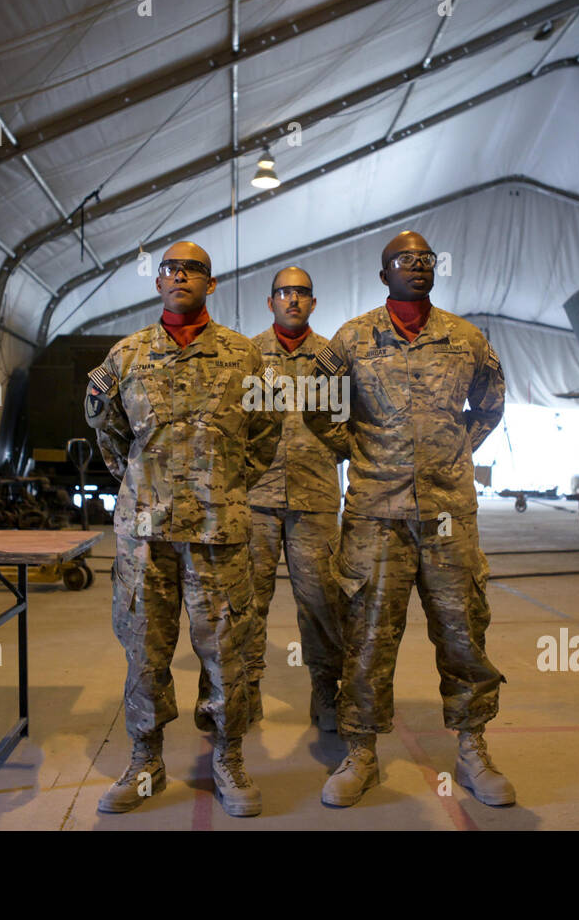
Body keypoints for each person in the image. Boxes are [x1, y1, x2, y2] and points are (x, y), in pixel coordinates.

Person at [304, 229, 514, 808]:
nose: (416, 266)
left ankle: (473, 750)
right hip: (377, 514)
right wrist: (362, 451)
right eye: (404, 259)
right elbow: (319, 408)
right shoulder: (351, 339)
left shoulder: (466, 338)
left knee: (464, 631)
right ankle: (362, 753)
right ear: (383, 273)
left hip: (449, 515)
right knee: (369, 636)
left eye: (425, 259)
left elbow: (492, 403)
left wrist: (453, 448)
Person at [85, 240, 279, 817]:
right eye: (171, 269)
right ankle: (144, 758)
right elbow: (109, 434)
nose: (181, 277)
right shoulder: (126, 355)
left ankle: (228, 756)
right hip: (145, 534)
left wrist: (221, 485)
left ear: (211, 284)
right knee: (145, 647)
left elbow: (264, 439)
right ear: (158, 282)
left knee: (226, 649)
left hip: (219, 530)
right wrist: (145, 485)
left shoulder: (245, 358)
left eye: (194, 270)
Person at [236, 266, 349, 732]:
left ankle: (325, 692)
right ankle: (247, 689)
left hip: (315, 498)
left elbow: (346, 427)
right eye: (284, 293)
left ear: (314, 302)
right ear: (270, 302)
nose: (293, 300)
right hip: (255, 499)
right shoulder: (245, 357)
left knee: (322, 602)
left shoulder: (332, 358)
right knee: (247, 600)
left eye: (302, 293)